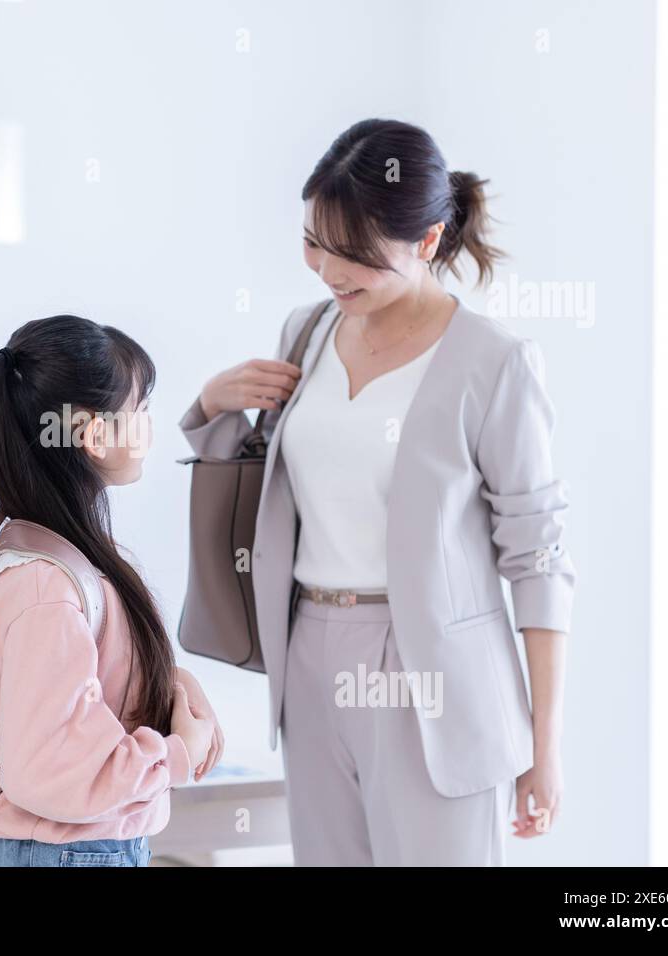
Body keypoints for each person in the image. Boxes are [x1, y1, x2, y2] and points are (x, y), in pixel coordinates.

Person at [180, 119, 576, 865]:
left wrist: (544, 748)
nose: (328, 271)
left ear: (426, 242)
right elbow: (269, 486)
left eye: (354, 254)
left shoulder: (494, 363)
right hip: (308, 651)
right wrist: (210, 407)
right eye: (313, 242)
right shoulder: (305, 331)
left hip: (433, 668)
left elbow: (540, 562)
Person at [0, 315, 222, 866]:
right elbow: (53, 766)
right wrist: (176, 754)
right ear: (94, 436)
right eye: (140, 409)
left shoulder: (61, 562)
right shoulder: (44, 585)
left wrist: (164, 684)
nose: (148, 424)